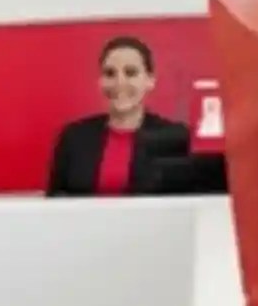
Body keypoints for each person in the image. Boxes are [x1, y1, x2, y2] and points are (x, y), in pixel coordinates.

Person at [46, 36, 191, 196]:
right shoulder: (73, 137)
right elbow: (55, 204)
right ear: (100, 81)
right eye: (110, 73)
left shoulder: (175, 138)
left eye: (130, 72)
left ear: (150, 81)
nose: (119, 82)